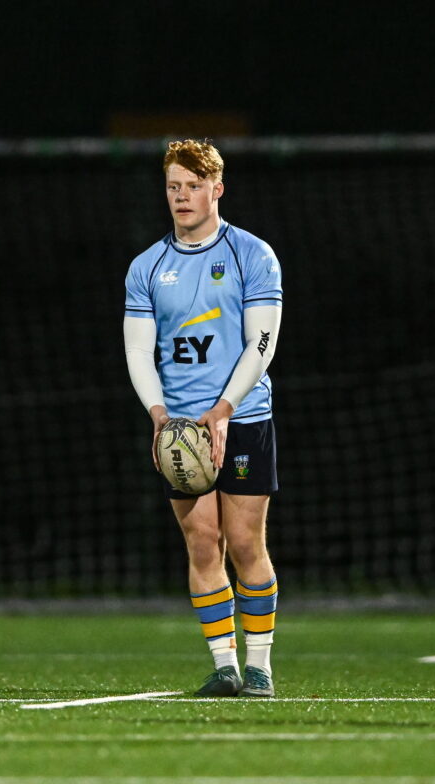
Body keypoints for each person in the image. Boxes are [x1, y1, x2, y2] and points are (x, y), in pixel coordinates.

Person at [123, 140, 283, 698]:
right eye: (173, 186)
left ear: (217, 188)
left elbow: (261, 342)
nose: (181, 196)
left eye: (192, 185)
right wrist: (160, 416)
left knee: (243, 543)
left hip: (242, 418)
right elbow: (140, 352)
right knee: (201, 543)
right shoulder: (147, 267)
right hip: (180, 430)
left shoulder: (253, 255)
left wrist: (223, 410)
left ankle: (259, 666)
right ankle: (225, 666)